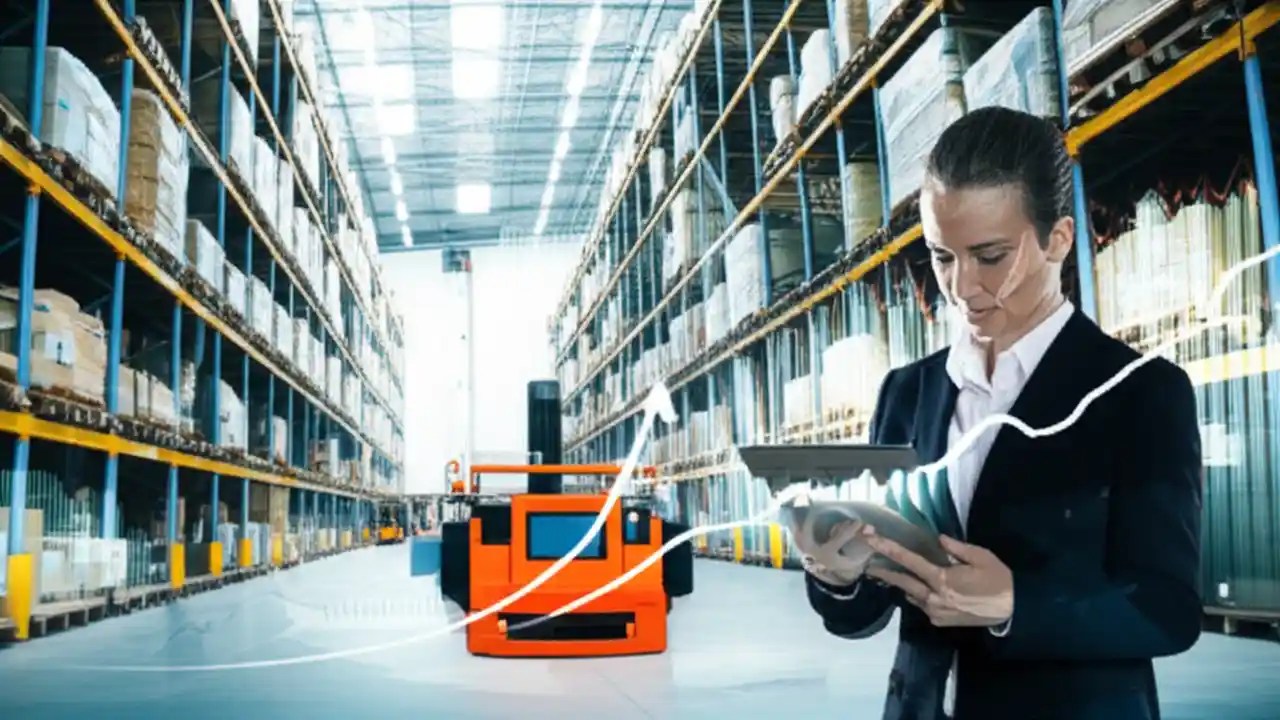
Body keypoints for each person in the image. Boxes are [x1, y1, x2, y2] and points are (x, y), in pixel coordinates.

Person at [798, 106, 1203, 720]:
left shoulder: (1141, 393)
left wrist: (1018, 603)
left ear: (1058, 240)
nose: (961, 287)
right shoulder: (906, 394)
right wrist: (838, 575)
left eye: (989, 256)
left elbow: (1168, 610)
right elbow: (864, 613)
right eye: (941, 256)